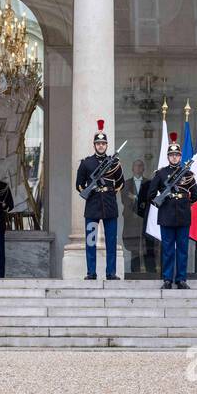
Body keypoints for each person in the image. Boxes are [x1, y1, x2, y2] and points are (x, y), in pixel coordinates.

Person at [139, 133, 197, 289]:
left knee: (183, 249)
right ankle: (167, 278)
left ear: (180, 157)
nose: (174, 158)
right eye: (171, 155)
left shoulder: (188, 174)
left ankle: (181, 279)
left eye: (176, 155)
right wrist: (162, 202)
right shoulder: (161, 174)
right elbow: (150, 195)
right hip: (166, 216)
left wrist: (185, 203)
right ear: (168, 157)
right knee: (168, 249)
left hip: (183, 216)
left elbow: (196, 196)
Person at [75, 119, 124, 281]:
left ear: (107, 145)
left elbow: (120, 183)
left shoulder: (115, 163)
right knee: (91, 241)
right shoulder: (86, 163)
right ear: (94, 145)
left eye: (103, 143)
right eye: (98, 143)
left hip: (109, 206)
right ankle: (91, 273)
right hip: (92, 206)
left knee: (111, 242)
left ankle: (111, 273)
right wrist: (90, 191)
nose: (101, 146)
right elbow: (79, 185)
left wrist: (107, 191)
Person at [121, 159, 156, 275]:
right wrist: (138, 199)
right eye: (136, 165)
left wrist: (135, 197)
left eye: (141, 166)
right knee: (134, 246)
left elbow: (149, 199)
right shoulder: (126, 184)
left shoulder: (149, 183)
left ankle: (151, 271)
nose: (138, 168)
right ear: (132, 168)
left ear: (143, 168)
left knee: (149, 246)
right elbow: (124, 199)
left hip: (145, 219)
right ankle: (135, 272)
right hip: (131, 220)